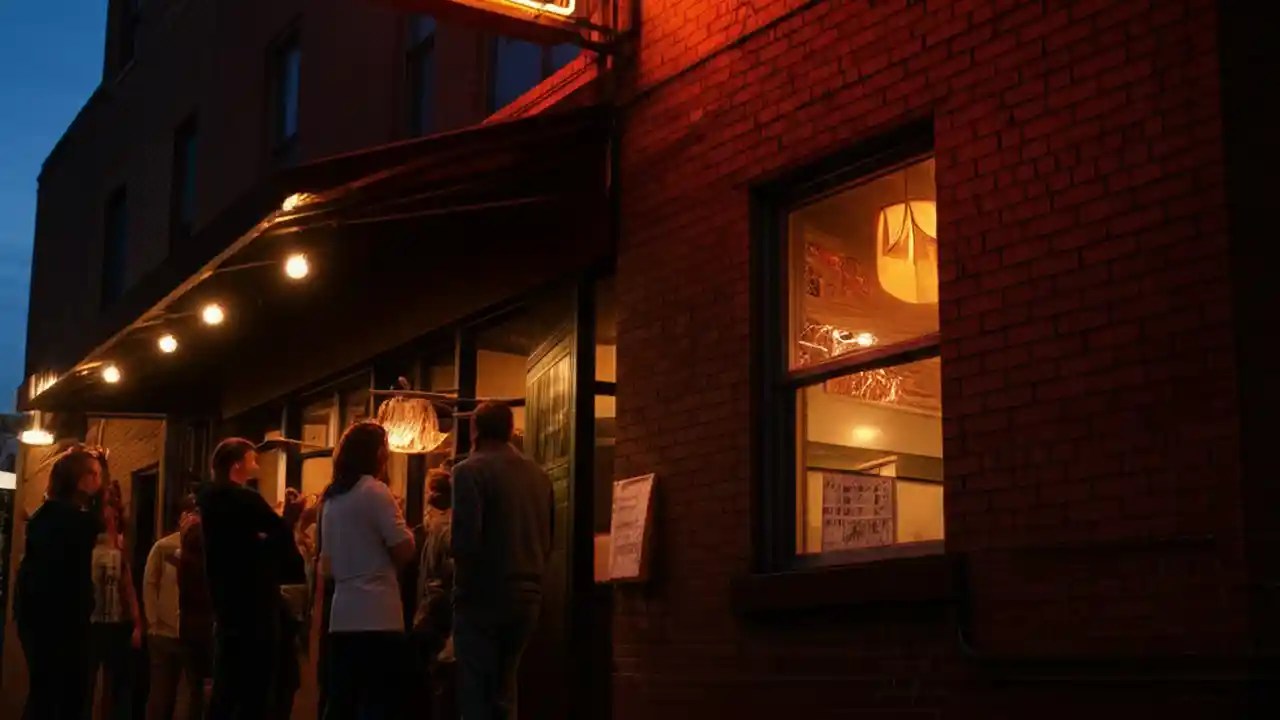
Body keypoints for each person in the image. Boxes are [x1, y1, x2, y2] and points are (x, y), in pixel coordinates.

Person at [451, 403, 554, 720]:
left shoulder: (469, 471)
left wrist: (460, 594)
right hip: (528, 595)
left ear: (475, 430)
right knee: (505, 689)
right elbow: (548, 536)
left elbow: (466, 542)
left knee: (475, 693)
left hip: (484, 595)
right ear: (510, 430)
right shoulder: (539, 476)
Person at [198, 438, 303, 720]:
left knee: (227, 686)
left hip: (226, 604)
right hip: (254, 604)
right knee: (256, 687)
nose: (256, 465)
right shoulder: (245, 499)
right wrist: (291, 517)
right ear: (237, 465)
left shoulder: (209, 502)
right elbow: (277, 535)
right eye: (252, 460)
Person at [319, 422, 416, 719]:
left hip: (342, 614)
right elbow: (403, 548)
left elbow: (328, 565)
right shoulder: (375, 492)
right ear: (376, 454)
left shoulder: (331, 500)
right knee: (379, 702)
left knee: (343, 700)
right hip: (378, 613)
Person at [15, 445, 106, 719]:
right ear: (79, 479)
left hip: (41, 618)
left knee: (46, 694)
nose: (98, 481)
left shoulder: (47, 516)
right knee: (64, 696)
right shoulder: (75, 521)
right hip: (61, 621)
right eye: (94, 474)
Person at [86, 488, 143, 720]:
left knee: (115, 684)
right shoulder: (88, 546)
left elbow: (127, 587)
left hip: (116, 623)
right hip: (90, 621)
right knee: (88, 682)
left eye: (116, 518)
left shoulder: (119, 550)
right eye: (108, 518)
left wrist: (137, 624)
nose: (112, 522)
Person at [144, 496, 198, 720]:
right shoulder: (165, 546)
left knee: (192, 698)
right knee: (161, 695)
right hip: (165, 632)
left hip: (194, 632)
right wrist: (153, 620)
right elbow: (150, 582)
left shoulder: (205, 548)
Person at [412, 469, 456, 720]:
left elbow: (439, 576)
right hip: (439, 614)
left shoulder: (440, 529)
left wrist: (424, 613)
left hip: (435, 615)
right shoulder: (442, 527)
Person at [177, 500, 214, 719]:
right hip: (208, 628)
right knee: (210, 687)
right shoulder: (209, 569)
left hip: (188, 628)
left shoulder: (184, 564)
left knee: (194, 691)